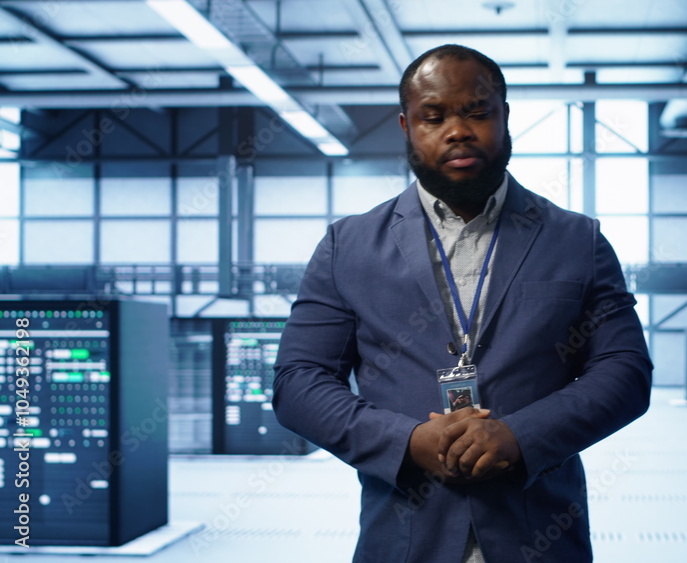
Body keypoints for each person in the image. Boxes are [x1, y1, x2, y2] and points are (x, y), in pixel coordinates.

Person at [272, 44, 652, 563]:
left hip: (540, 538)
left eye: (477, 112)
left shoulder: (576, 239)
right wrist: (406, 441)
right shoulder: (348, 246)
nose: (457, 131)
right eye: (434, 117)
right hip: (404, 542)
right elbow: (299, 382)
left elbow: (625, 371)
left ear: (505, 117)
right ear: (407, 127)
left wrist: (520, 436)